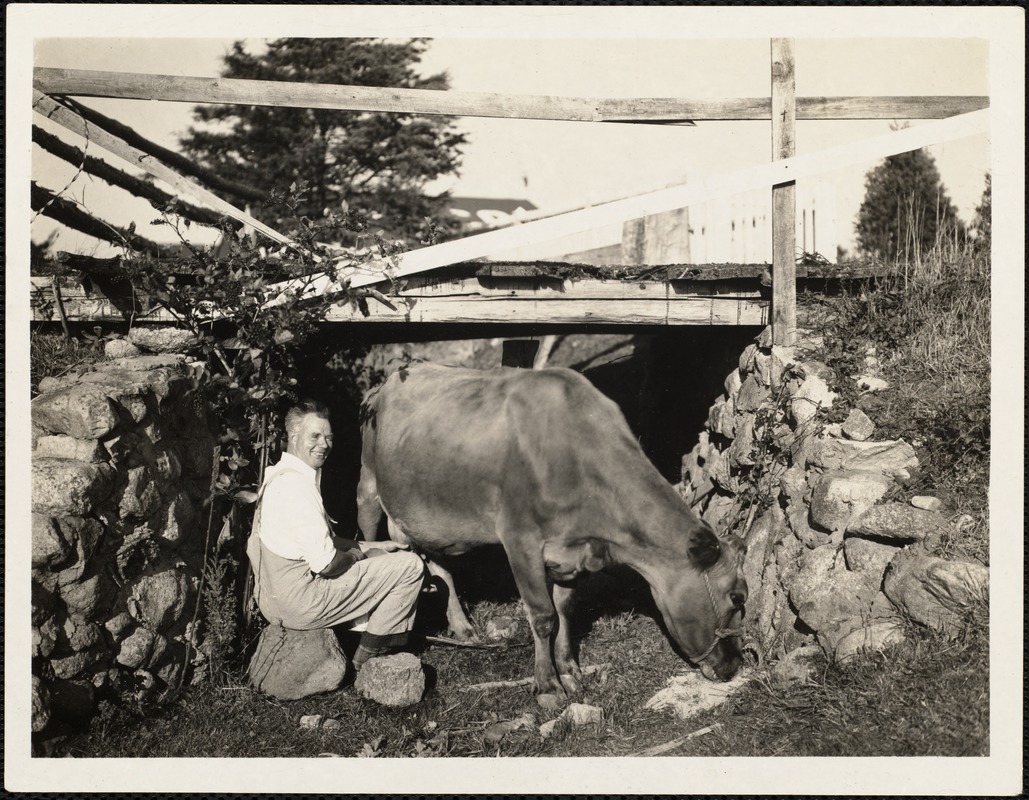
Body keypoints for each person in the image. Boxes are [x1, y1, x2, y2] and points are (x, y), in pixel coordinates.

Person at [246, 398, 426, 671]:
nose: (324, 444)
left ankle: (360, 636)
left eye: (328, 437)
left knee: (380, 557)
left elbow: (318, 542)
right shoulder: (297, 489)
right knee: (410, 566)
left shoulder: (277, 475)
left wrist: (370, 545)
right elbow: (327, 564)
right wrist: (356, 555)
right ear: (293, 436)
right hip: (300, 605)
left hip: (271, 601)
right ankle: (368, 660)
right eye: (315, 436)